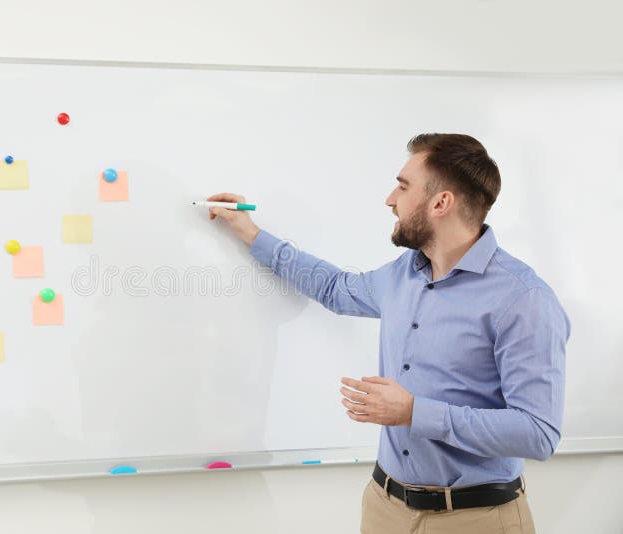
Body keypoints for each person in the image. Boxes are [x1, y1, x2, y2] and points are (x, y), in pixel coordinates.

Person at [206, 133, 570, 534]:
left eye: (403, 185)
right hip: (385, 508)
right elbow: (335, 288)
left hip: (474, 518)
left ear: (440, 203)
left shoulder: (523, 300)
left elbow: (538, 434)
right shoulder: (404, 274)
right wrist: (250, 232)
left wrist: (414, 412)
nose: (390, 199)